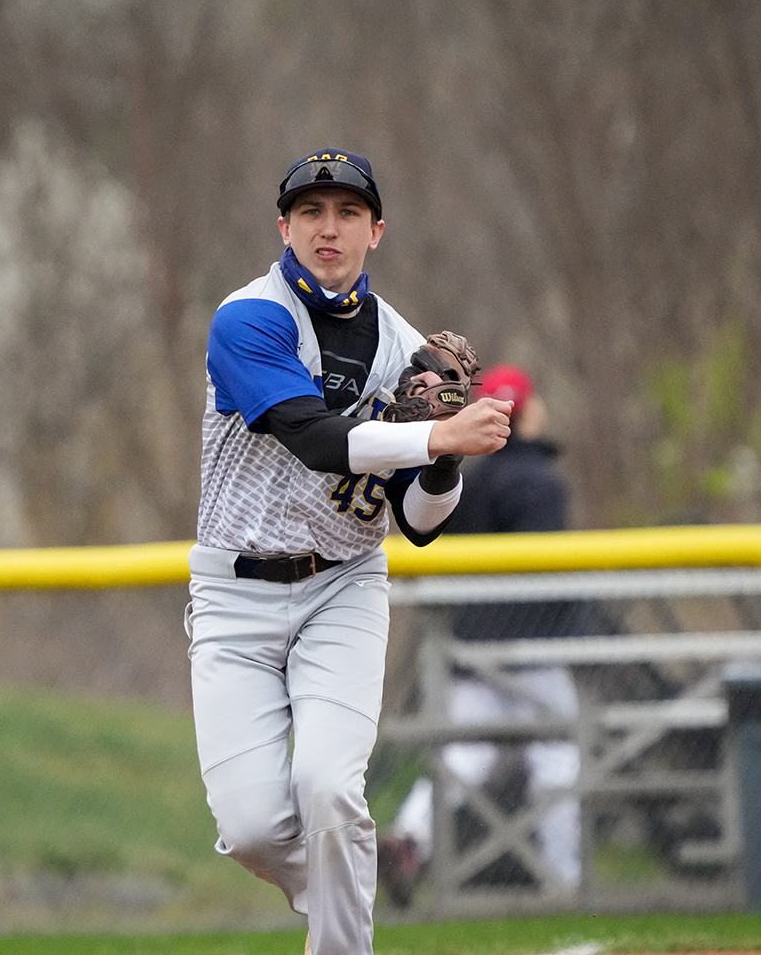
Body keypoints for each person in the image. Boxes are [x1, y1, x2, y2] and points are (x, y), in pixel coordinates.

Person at [189, 149, 513, 955]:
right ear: (284, 227)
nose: (327, 229)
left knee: (331, 790)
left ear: (377, 230)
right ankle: (348, 885)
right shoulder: (249, 317)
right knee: (256, 829)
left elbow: (423, 522)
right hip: (235, 592)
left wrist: (442, 458)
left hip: (345, 588)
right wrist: (434, 430)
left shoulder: (404, 348)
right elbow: (314, 438)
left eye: (346, 214)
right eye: (310, 213)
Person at [382, 364, 584, 905]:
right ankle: (565, 882)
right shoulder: (538, 480)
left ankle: (411, 838)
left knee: (464, 756)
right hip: (533, 651)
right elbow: (550, 575)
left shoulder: (460, 477)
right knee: (558, 754)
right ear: (527, 414)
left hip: (469, 646)